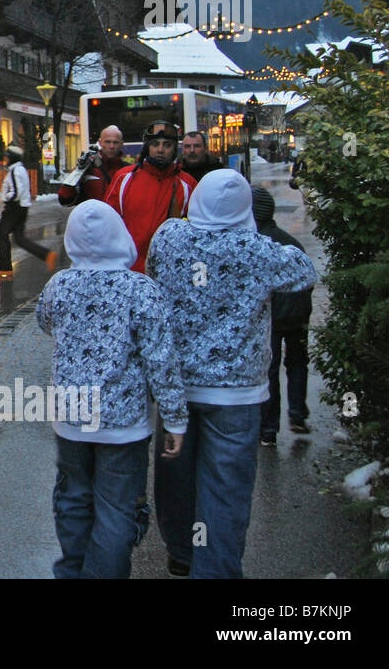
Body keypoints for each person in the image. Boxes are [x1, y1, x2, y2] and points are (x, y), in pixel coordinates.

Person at [146, 169, 318, 578]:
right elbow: (304, 272)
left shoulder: (169, 237)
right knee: (225, 492)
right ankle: (217, 569)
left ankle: (183, 552)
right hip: (237, 395)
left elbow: (153, 268)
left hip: (178, 390)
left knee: (175, 479)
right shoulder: (258, 250)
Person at [37, 200, 187, 578]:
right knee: (117, 508)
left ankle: (72, 570)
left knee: (73, 499)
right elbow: (161, 359)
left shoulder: (60, 284)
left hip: (71, 417)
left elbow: (45, 321)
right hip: (123, 424)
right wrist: (175, 419)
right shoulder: (141, 289)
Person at [251, 187, 314, 445]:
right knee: (297, 362)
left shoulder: (258, 244)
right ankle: (297, 413)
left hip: (274, 315)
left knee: (270, 369)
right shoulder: (289, 240)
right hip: (299, 313)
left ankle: (268, 428)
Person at [104, 121, 197, 273]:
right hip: (128, 272)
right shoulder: (124, 178)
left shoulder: (188, 185)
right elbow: (106, 224)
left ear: (174, 149)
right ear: (147, 147)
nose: (160, 150)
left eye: (167, 145)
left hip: (168, 274)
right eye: (155, 144)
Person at [0, 144, 58, 281]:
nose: (5, 159)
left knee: (2, 235)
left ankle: (5, 270)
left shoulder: (16, 171)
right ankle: (47, 256)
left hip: (14, 207)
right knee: (20, 239)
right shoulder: (18, 169)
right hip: (21, 207)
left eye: (7, 157)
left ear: (12, 158)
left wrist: (6, 199)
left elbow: (17, 191)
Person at [57, 125, 133, 207]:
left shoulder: (129, 172)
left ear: (121, 144)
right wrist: (75, 174)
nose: (111, 146)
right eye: (107, 142)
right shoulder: (88, 168)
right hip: (91, 218)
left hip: (118, 219)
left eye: (115, 142)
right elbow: (64, 200)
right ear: (100, 142)